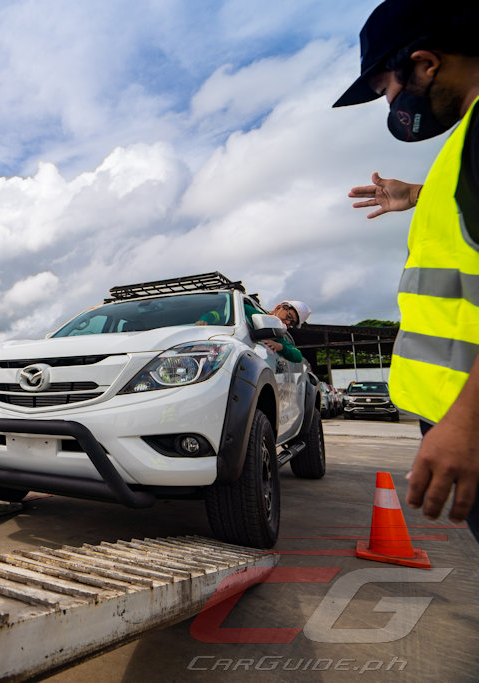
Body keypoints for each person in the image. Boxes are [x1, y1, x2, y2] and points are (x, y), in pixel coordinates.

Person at [335, 0, 479, 539]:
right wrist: (418, 194)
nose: (390, 103)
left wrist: (467, 422)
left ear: (425, 63)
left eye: (385, 88)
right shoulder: (465, 140)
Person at [198, 299, 311, 363]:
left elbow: (298, 356)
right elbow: (220, 315)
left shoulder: (278, 335)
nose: (287, 322)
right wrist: (205, 319)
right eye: (289, 316)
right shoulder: (249, 311)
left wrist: (280, 347)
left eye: (292, 323)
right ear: (278, 308)